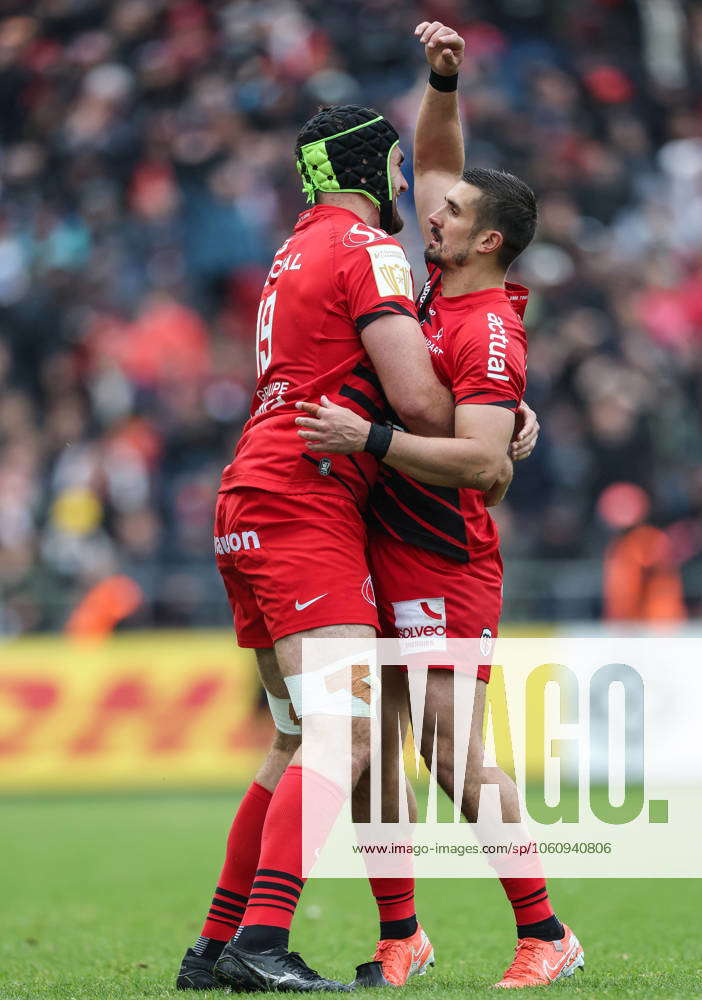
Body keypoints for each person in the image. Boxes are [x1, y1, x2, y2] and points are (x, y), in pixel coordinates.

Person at [294, 20, 584, 991]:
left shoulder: (489, 330)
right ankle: (400, 934)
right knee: (377, 754)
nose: (430, 212)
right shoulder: (438, 295)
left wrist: (367, 439)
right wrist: (442, 81)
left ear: (485, 240)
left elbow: (481, 465)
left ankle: (547, 930)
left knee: (453, 754)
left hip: (442, 558)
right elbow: (438, 157)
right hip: (379, 546)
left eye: (450, 214)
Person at [176, 91, 479, 992]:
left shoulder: (291, 250)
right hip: (302, 502)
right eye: (391, 165)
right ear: (365, 168)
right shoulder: (366, 248)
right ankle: (262, 945)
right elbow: (420, 403)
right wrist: (495, 419)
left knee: (295, 736)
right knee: (348, 733)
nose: (401, 181)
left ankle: (214, 947)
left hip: (249, 498)